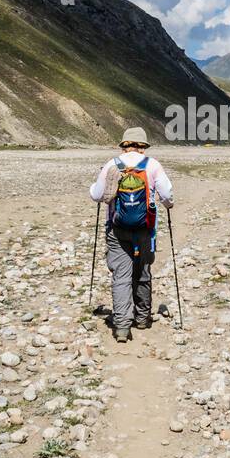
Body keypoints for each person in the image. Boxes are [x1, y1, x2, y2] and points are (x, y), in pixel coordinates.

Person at [89, 127, 174, 342]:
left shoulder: (111, 164)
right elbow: (167, 195)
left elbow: (97, 195)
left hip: (117, 230)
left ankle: (122, 327)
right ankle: (143, 318)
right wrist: (167, 205)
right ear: (143, 146)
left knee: (121, 276)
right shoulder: (152, 165)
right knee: (143, 272)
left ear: (124, 145)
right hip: (145, 229)